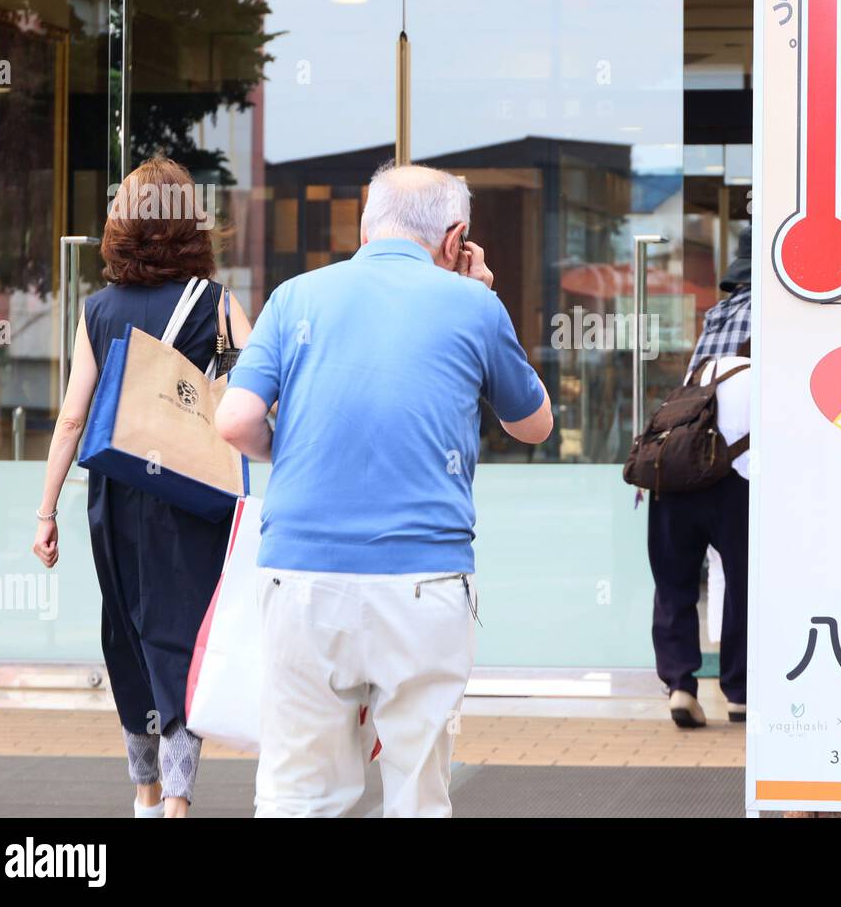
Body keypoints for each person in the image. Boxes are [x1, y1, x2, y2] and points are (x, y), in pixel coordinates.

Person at [215, 163, 552, 818]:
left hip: (301, 574)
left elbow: (234, 421)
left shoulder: (296, 296)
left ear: (367, 226)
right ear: (457, 239)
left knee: (298, 794)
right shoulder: (474, 304)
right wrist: (483, 296)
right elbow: (532, 424)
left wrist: (300, 455)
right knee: (417, 794)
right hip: (423, 581)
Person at [31, 156, 253, 818]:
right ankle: (181, 799)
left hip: (118, 497)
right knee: (183, 636)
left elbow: (73, 414)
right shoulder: (216, 303)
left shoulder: (99, 309)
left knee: (127, 634)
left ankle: (145, 796)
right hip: (193, 493)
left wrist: (46, 512)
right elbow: (259, 393)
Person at [647, 224, 751, 729]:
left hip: (677, 470)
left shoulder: (716, 317)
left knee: (675, 583)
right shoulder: (787, 322)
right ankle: (740, 690)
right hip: (738, 476)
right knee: (746, 583)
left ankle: (680, 684)